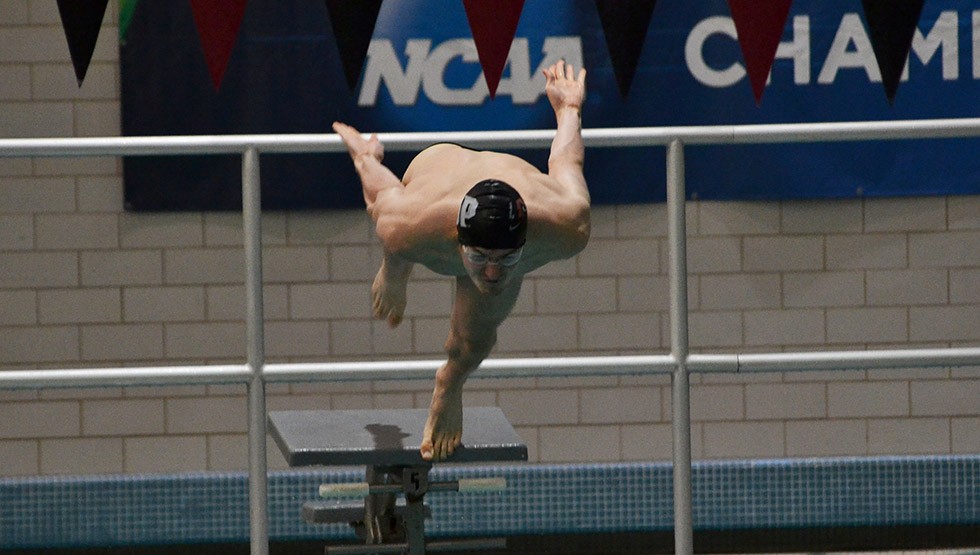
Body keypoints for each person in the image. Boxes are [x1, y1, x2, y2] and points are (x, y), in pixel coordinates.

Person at [333, 60, 590, 462]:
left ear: (526, 239)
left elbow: (566, 162)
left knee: (472, 341)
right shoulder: (414, 223)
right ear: (458, 239)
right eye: (481, 257)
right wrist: (366, 157)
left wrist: (569, 110)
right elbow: (379, 193)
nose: (491, 272)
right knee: (397, 243)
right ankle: (396, 272)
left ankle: (449, 384)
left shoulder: (566, 223)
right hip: (437, 171)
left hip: (511, 188)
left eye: (506, 258)